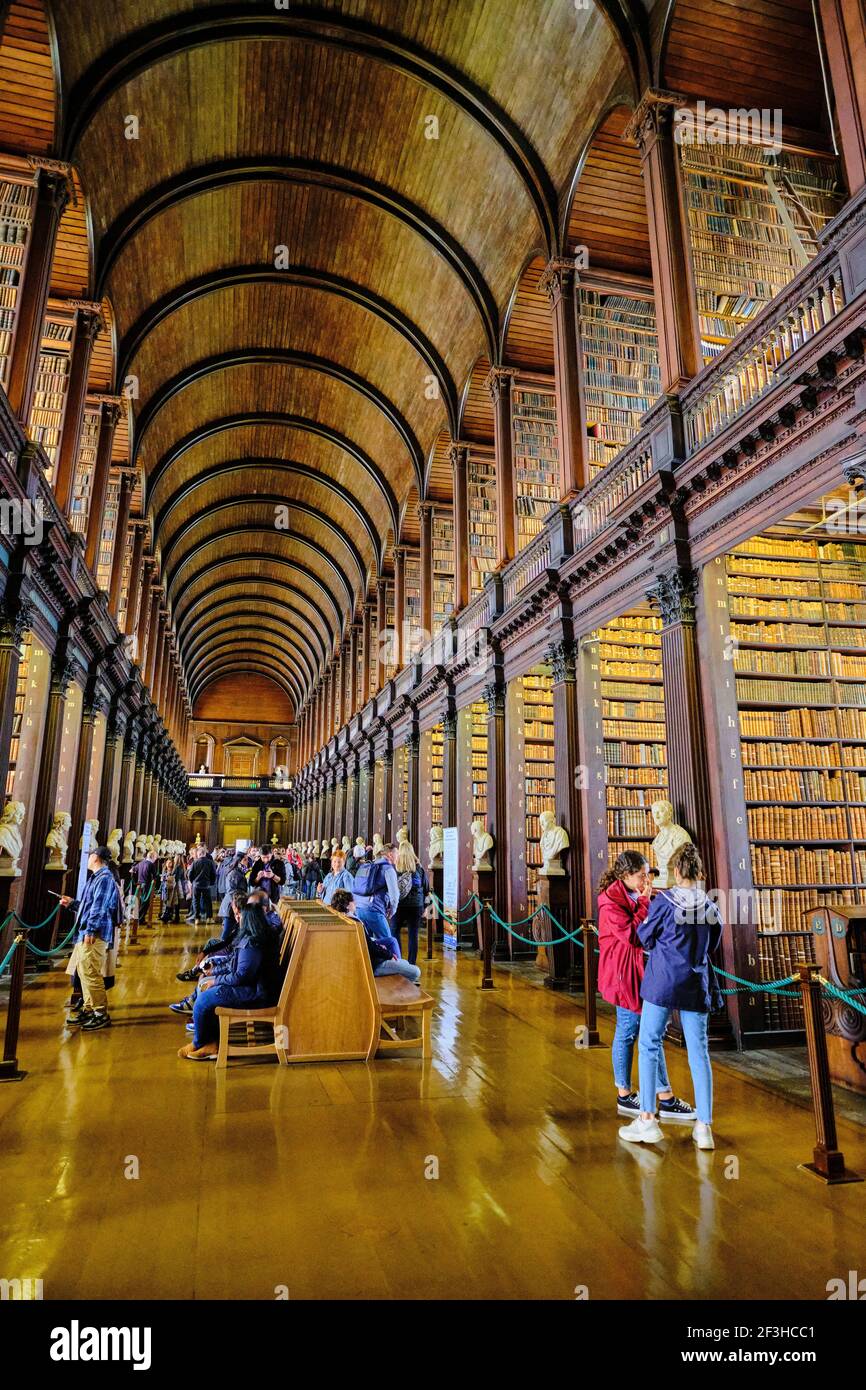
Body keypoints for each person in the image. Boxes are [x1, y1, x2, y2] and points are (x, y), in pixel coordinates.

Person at [619, 843, 723, 1151]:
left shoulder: (663, 901)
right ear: (699, 872)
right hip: (695, 982)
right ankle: (704, 1126)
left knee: (650, 1042)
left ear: (675, 872)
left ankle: (648, 1119)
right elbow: (713, 943)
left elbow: (644, 936)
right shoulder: (710, 905)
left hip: (663, 981)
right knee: (699, 1052)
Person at [597, 851, 695, 1123]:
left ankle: (646, 1095)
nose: (646, 879)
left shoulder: (633, 894)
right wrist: (644, 902)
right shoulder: (610, 901)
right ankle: (637, 1095)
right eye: (641, 875)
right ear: (625, 876)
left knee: (640, 1031)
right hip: (623, 972)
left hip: (639, 970)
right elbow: (632, 936)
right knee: (632, 1030)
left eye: (647, 874)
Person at [177, 904, 282, 1060]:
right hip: (250, 987)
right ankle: (210, 1042)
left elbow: (241, 976)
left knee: (202, 1000)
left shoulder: (252, 944)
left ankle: (200, 1043)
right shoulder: (250, 938)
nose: (237, 918)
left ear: (250, 920)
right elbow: (233, 962)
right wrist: (214, 972)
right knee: (204, 990)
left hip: (254, 993)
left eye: (241, 916)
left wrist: (216, 980)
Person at [60, 846, 123, 1031]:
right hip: (86, 931)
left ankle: (100, 1013)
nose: (87, 858)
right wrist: (72, 904)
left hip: (93, 933)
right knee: (83, 972)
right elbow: (89, 906)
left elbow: (99, 907)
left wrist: (91, 930)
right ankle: (88, 1008)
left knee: (91, 972)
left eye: (90, 855)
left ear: (96, 857)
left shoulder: (104, 878)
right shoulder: (97, 878)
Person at [330, 889, 420, 984]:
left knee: (404, 963)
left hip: (366, 960)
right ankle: (400, 990)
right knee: (416, 971)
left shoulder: (344, 920)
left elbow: (367, 942)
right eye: (353, 901)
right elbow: (370, 947)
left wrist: (381, 949)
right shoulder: (354, 923)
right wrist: (388, 954)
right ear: (347, 905)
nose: (355, 903)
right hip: (371, 965)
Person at [352, 842, 401, 953]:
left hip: (359, 909)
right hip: (374, 910)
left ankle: (370, 969)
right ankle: (395, 969)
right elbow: (394, 894)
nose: (398, 857)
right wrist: (392, 911)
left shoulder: (371, 865)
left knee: (368, 944)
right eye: (397, 854)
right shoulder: (388, 869)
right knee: (389, 943)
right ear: (390, 855)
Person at [393, 839, 428, 966]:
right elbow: (426, 887)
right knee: (413, 934)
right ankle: (411, 964)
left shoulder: (395, 868)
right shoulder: (418, 868)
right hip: (416, 905)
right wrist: (425, 906)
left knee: (394, 931)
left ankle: (399, 961)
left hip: (399, 905)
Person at [188, 845, 216, 924]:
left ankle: (197, 918)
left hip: (196, 885)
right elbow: (214, 874)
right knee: (208, 901)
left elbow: (190, 874)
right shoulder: (210, 862)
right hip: (206, 885)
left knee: (196, 901)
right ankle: (209, 918)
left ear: (198, 854)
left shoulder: (195, 862)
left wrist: (193, 881)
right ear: (204, 854)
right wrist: (211, 882)